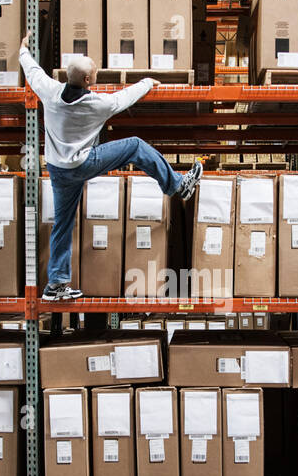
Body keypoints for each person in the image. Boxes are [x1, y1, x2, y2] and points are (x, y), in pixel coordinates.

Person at [17, 35, 202, 301]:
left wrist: (23, 50)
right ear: (88, 81)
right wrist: (147, 81)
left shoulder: (50, 90)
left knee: (63, 223)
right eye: (94, 75)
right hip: (82, 163)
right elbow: (125, 98)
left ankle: (55, 284)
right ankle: (177, 185)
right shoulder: (97, 104)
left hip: (57, 169)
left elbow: (33, 72)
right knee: (135, 146)